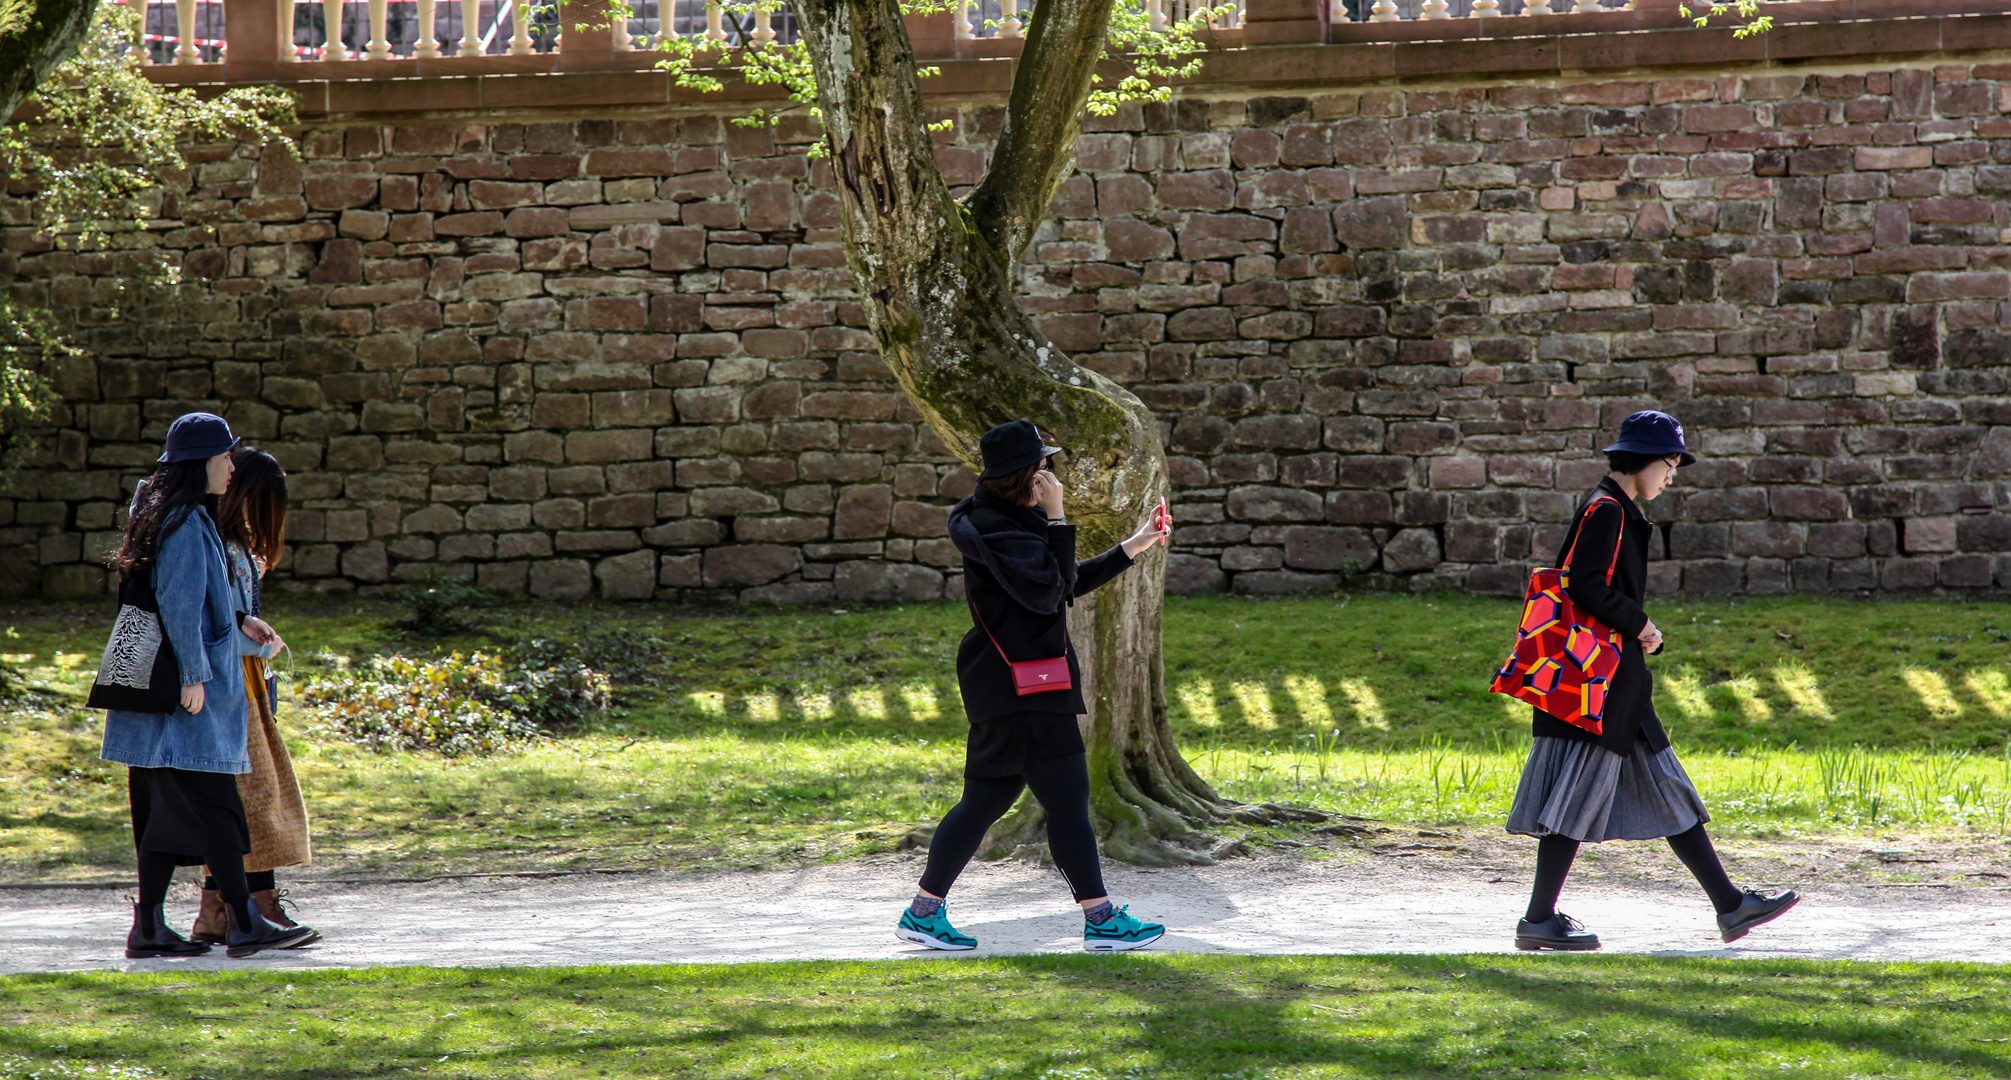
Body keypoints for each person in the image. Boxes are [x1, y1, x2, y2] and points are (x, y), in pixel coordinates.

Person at [1507, 410, 1799, 951]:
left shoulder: (1615, 508)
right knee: (1578, 793)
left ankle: (1731, 905)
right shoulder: (1607, 511)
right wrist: (1641, 624)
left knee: (1667, 788)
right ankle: (1538, 920)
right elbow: (1585, 585)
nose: (1671, 476)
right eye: (1669, 464)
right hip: (1598, 685)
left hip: (1612, 682)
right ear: (1642, 459)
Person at [896, 420, 1172, 953]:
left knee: (984, 802)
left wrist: (1136, 544)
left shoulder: (1004, 521)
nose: (1050, 477)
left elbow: (1062, 581)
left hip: (1010, 685)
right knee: (1067, 802)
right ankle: (1101, 921)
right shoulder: (996, 529)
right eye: (1042, 467)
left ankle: (923, 913)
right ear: (1021, 475)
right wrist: (1057, 517)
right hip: (1026, 689)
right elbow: (1049, 592)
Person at [100, 413, 317, 960]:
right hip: (182, 692)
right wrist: (194, 677)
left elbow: (188, 599)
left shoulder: (161, 514)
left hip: (149, 686)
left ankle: (152, 927)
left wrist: (241, 621)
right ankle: (242, 922)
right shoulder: (187, 524)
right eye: (224, 457)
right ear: (201, 464)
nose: (231, 467)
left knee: (160, 814)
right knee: (220, 808)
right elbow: (178, 606)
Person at [187, 446, 318, 947]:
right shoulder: (215, 544)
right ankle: (251, 906)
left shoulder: (233, 546)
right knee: (252, 798)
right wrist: (254, 639)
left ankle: (219, 910)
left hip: (246, 682)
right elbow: (213, 619)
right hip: (228, 682)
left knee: (249, 797)